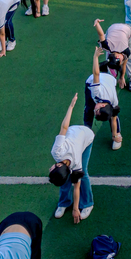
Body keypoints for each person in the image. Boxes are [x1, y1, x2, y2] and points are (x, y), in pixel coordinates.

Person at [49, 94, 94, 223]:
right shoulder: (58, 152)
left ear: (58, 164)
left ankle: (88, 204)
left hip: (86, 137)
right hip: (74, 136)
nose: (50, 168)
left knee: (83, 174)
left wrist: (76, 209)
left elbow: (76, 187)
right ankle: (64, 202)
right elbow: (64, 128)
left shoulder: (59, 153)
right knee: (62, 178)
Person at [83, 45, 122, 150]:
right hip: (91, 82)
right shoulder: (96, 93)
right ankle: (87, 131)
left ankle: (117, 135)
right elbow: (96, 74)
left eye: (97, 111)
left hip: (109, 81)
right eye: (97, 110)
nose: (96, 110)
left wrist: (115, 135)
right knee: (89, 108)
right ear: (104, 105)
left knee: (112, 115)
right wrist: (95, 57)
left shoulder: (113, 103)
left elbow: (113, 118)